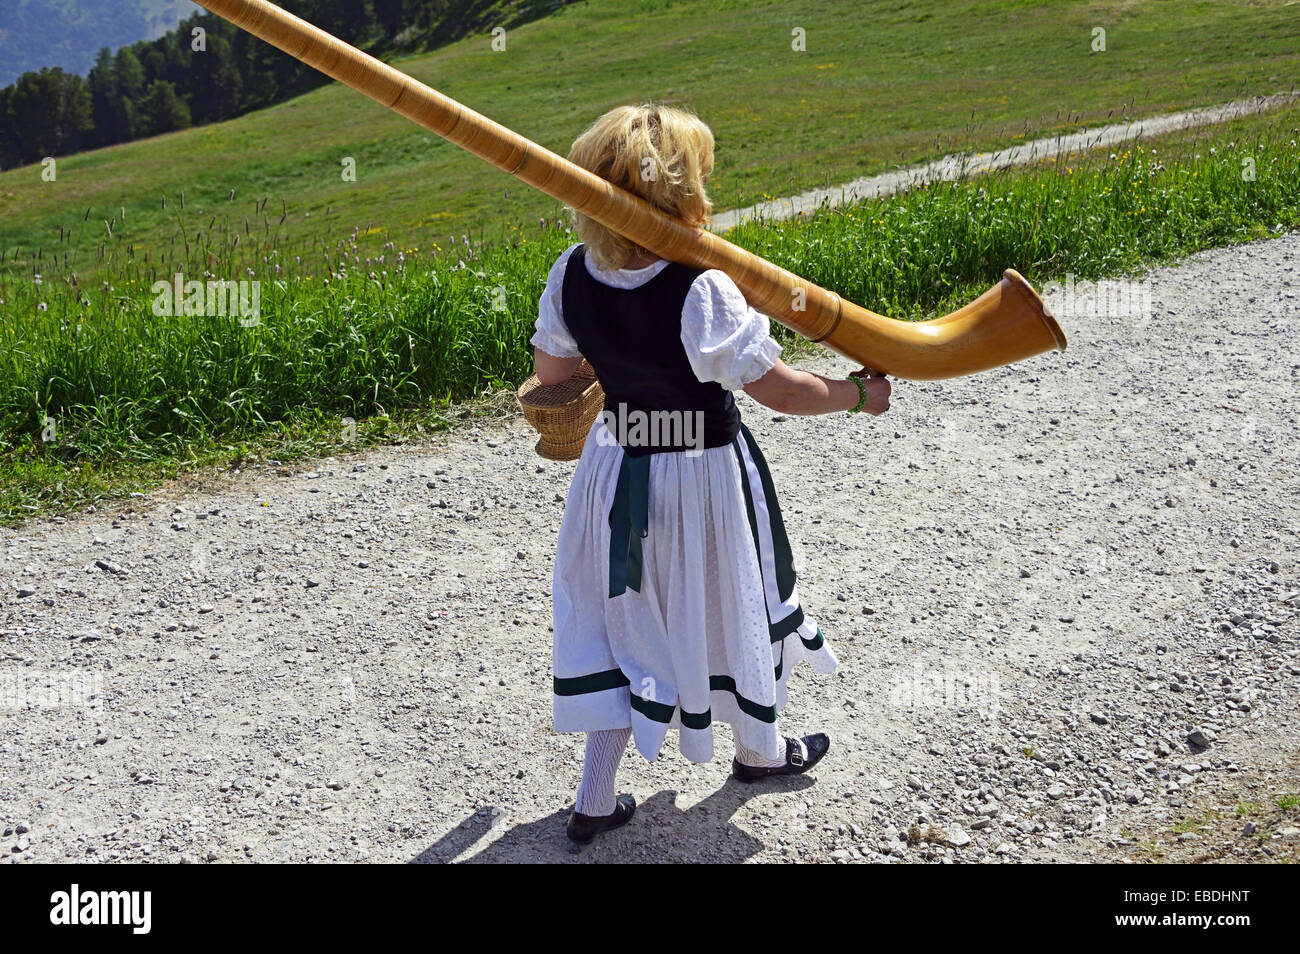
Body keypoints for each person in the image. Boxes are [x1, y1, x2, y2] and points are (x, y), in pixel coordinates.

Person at [530, 103, 890, 844]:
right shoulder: (704, 287)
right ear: (678, 191)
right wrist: (859, 394)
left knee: (625, 626)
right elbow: (783, 391)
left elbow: (553, 376)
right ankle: (760, 752)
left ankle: (595, 800)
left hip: (614, 471)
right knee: (735, 603)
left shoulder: (571, 274)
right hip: (699, 479)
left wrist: (624, 353)